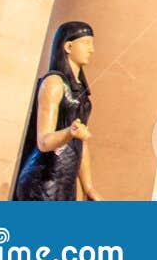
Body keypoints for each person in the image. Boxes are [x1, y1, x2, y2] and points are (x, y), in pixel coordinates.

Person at [13, 20, 98, 201]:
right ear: (68, 46)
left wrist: (89, 187)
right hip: (43, 179)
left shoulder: (81, 92)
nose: (92, 50)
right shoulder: (54, 83)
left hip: (65, 180)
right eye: (86, 43)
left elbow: (81, 144)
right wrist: (70, 132)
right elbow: (44, 141)